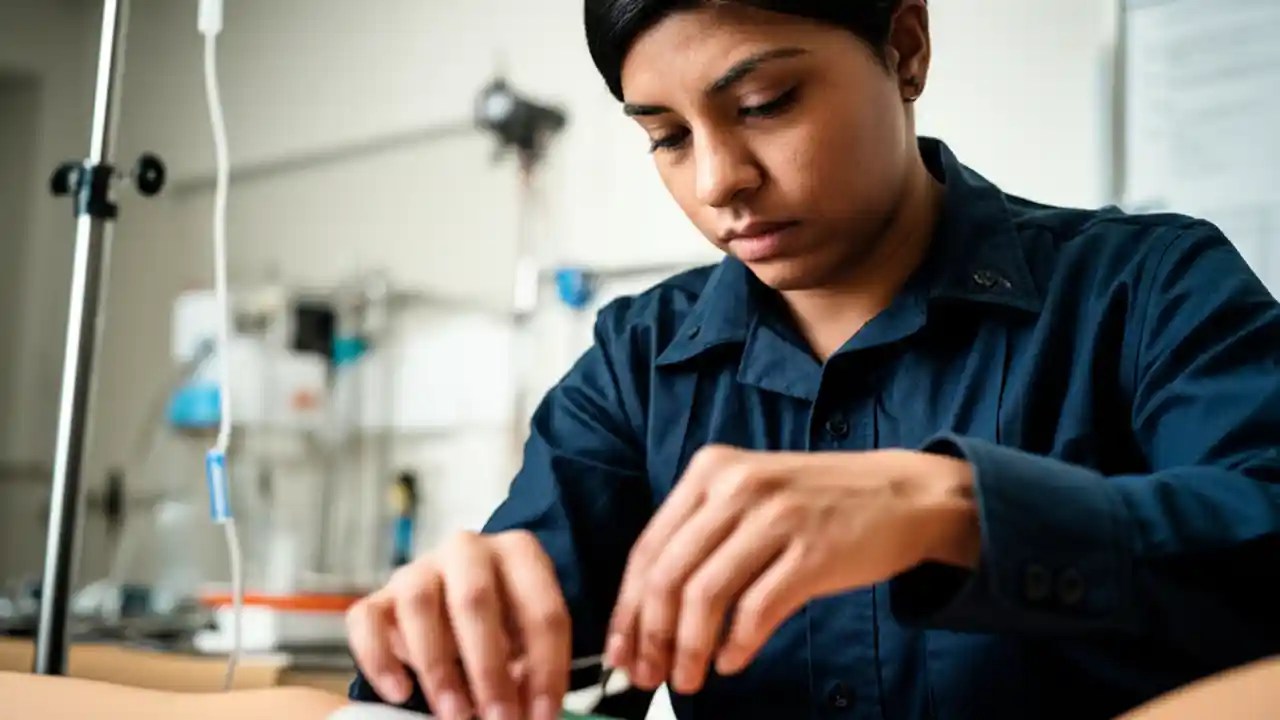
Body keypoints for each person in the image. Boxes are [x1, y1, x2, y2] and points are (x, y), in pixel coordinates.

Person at [4, 1, 1280, 719]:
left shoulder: (1143, 288)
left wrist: (944, 507)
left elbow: (1260, 541)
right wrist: (439, 636)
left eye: (764, 103)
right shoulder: (642, 359)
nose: (720, 180)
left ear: (904, 48)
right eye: (663, 136)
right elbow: (522, 611)